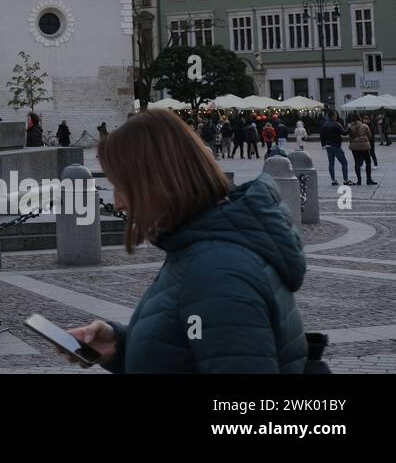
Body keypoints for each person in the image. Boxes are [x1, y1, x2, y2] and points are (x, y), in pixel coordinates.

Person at [68, 109, 306, 373]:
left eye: (122, 185)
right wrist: (119, 346)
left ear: (159, 180)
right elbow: (193, 350)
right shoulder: (203, 248)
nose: (118, 202)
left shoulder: (217, 272)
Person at [319, 112, 353, 186]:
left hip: (328, 146)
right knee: (344, 163)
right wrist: (349, 127)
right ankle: (346, 180)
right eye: (336, 116)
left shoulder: (324, 125)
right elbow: (344, 133)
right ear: (334, 116)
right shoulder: (337, 124)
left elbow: (321, 135)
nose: (336, 117)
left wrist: (323, 145)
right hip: (336, 146)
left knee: (331, 163)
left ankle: (333, 180)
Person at [347, 115, 376, 186]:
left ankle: (359, 181)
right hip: (364, 146)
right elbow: (370, 135)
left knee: (357, 163)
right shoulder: (365, 126)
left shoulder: (350, 127)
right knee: (368, 162)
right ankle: (368, 180)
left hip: (354, 147)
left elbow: (349, 136)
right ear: (360, 119)